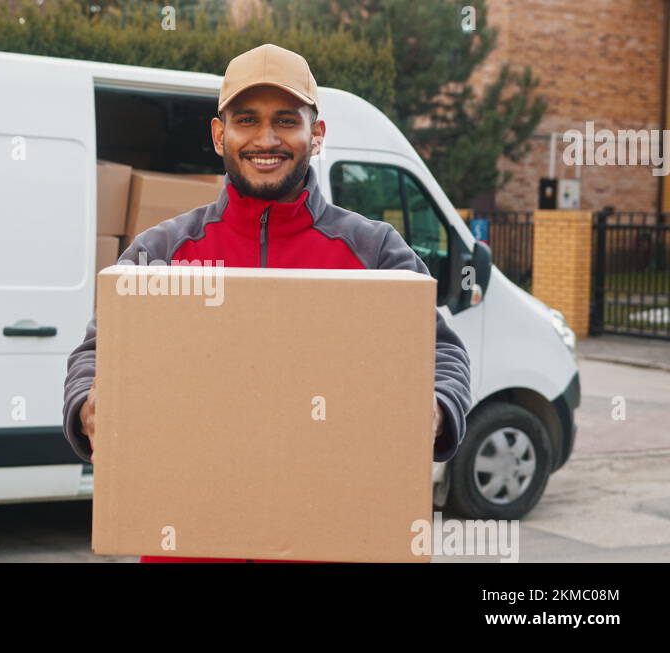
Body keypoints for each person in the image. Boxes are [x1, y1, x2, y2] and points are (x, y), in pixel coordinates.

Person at [62, 43, 471, 563]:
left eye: (286, 120)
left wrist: (436, 409)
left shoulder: (375, 251)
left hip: (333, 545)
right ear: (219, 135)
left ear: (316, 135)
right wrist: (88, 406)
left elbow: (444, 354)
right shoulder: (162, 252)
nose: (266, 139)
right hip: (188, 548)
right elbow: (95, 354)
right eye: (246, 120)